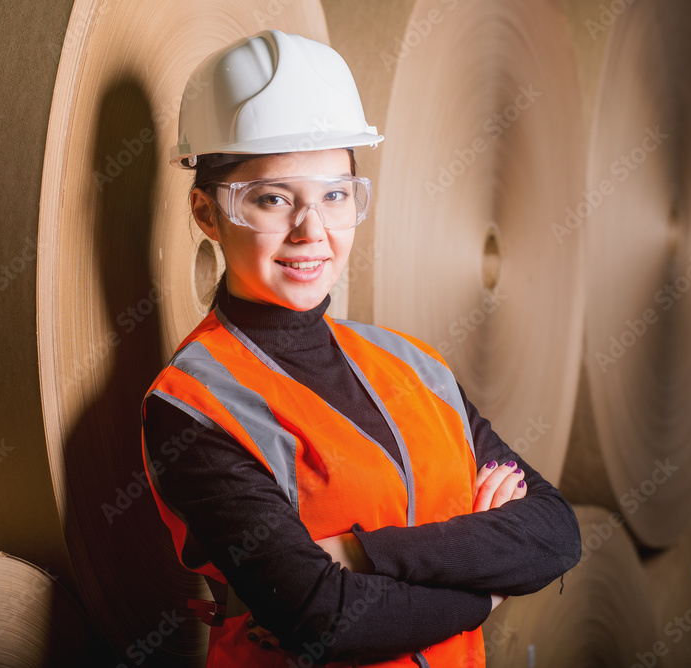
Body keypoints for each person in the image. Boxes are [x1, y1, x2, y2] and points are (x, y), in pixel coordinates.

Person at [141, 29, 581, 667]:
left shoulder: (411, 363)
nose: (312, 230)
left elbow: (553, 532)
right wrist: (488, 589)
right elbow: (324, 618)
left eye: (335, 195)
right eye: (272, 199)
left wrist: (359, 557)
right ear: (208, 214)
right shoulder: (193, 405)